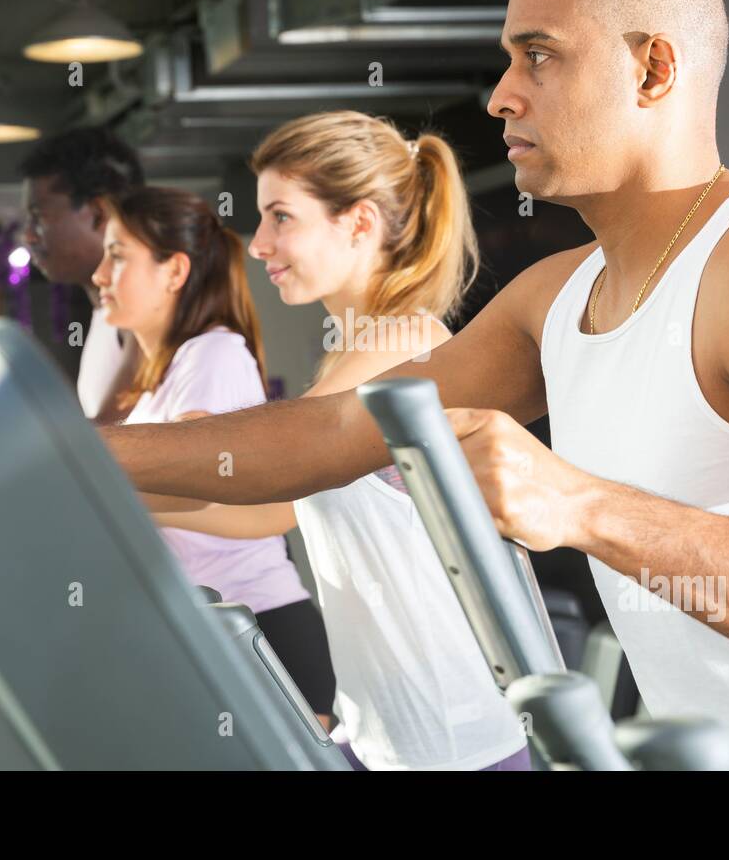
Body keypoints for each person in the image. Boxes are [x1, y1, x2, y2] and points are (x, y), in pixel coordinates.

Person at [100, 0, 729, 770]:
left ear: (653, 68)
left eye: (538, 56)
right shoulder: (556, 297)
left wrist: (577, 502)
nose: (502, 94)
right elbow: (329, 433)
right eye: (508, 60)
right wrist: (71, 454)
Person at [151, 111, 531, 771]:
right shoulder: (348, 358)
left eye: (282, 217)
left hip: (452, 741)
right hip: (384, 735)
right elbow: (274, 509)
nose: (259, 243)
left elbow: (268, 475)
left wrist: (125, 467)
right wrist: (113, 495)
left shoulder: (403, 345)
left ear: (357, 223)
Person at [92, 184, 336, 727]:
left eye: (116, 255)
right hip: (209, 627)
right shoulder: (159, 377)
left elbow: (202, 485)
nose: (99, 276)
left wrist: (88, 488)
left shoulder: (214, 352)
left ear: (174, 272)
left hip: (259, 628)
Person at [19, 126, 144, 421]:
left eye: (39, 217)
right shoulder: (106, 313)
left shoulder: (145, 310)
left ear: (99, 213)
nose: (29, 236)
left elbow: (106, 444)